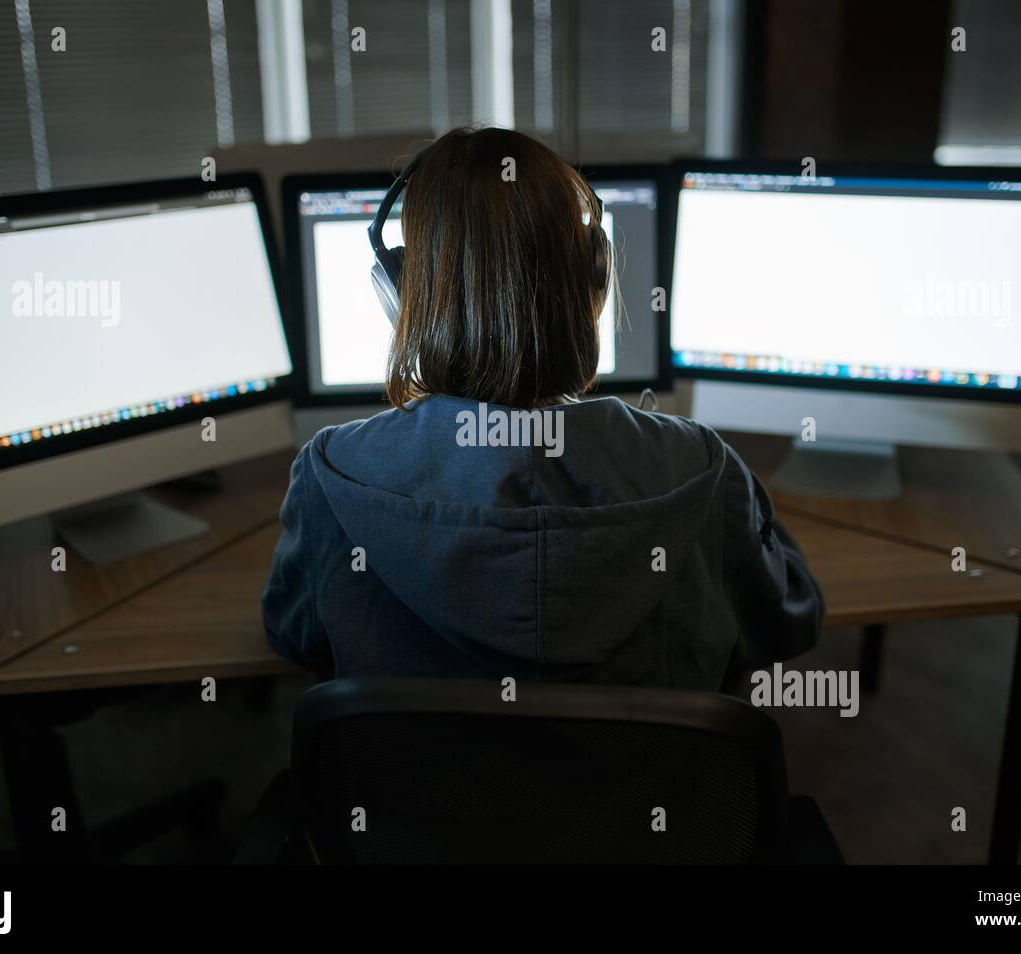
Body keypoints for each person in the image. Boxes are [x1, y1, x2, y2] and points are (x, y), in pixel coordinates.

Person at [262, 126, 822, 689]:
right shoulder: (699, 464)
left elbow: (293, 634)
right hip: (642, 779)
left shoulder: (331, 471)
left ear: (402, 296)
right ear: (595, 282)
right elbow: (786, 622)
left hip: (419, 781)